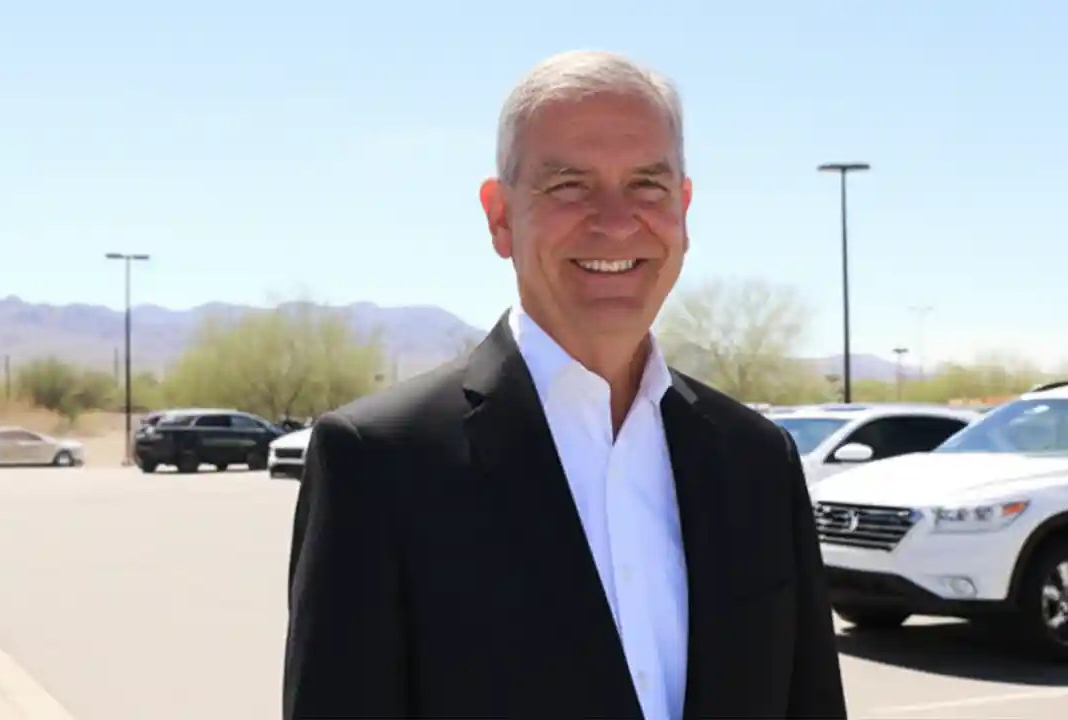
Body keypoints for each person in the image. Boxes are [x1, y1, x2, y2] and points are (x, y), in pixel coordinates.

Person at [283, 50, 847, 720]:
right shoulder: (378, 463)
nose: (614, 221)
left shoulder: (757, 459)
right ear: (499, 217)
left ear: (684, 208)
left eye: (647, 185)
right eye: (569, 186)